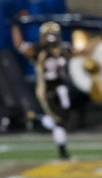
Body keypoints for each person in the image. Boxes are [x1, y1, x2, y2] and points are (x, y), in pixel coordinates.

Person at [14, 21, 72, 160]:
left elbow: (80, 53)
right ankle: (62, 151)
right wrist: (15, 25)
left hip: (61, 89)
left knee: (61, 119)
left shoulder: (62, 49)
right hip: (48, 90)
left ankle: (36, 118)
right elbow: (20, 46)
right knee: (59, 121)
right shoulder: (39, 51)